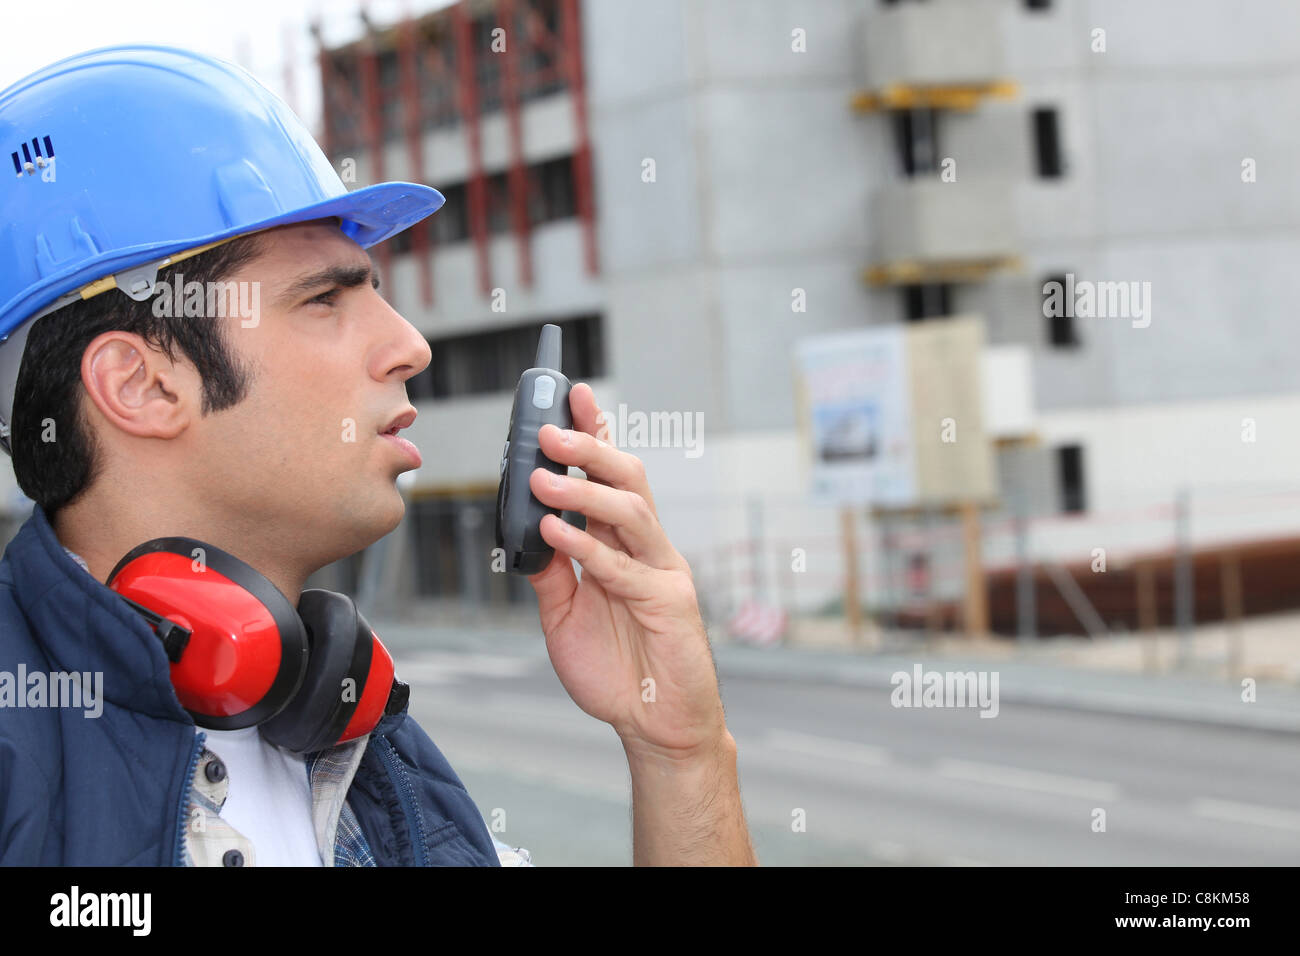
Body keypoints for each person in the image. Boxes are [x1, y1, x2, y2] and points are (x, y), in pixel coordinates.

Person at [0, 45, 756, 867]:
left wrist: (680, 755)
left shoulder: (378, 762)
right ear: (140, 385)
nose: (410, 346)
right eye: (324, 298)